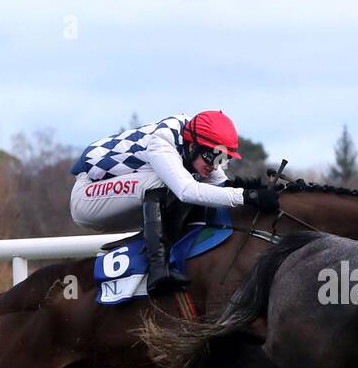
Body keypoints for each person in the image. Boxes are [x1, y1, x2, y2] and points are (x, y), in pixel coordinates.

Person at [69, 110, 280, 297]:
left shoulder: (196, 143)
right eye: (211, 156)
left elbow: (221, 188)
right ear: (193, 145)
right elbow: (187, 191)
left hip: (122, 200)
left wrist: (259, 194)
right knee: (168, 183)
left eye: (222, 159)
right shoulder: (162, 142)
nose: (214, 166)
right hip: (86, 198)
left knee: (202, 191)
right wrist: (246, 196)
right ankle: (157, 269)